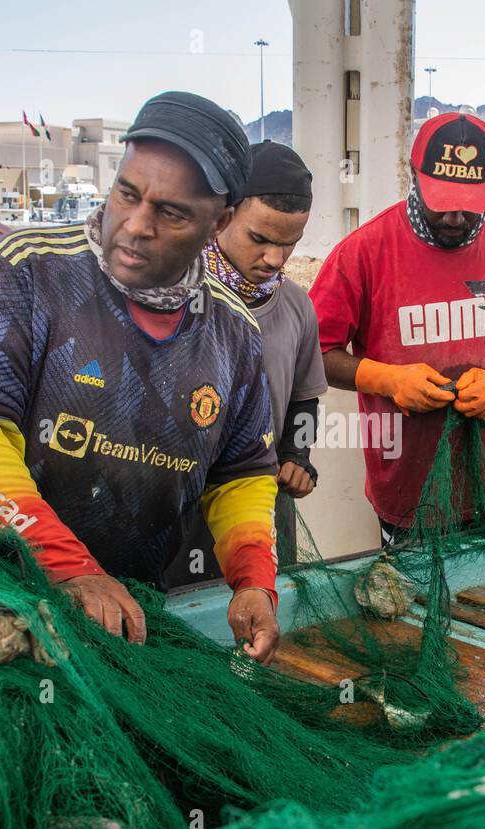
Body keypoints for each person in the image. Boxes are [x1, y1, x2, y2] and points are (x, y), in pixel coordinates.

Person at [0, 91, 280, 663]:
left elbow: (241, 475)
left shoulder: (234, 330)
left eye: (171, 213)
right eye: (127, 195)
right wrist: (69, 568)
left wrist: (254, 579)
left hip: (126, 619)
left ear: (222, 221)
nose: (135, 226)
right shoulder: (20, 271)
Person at [312, 112, 485, 544]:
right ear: (414, 176)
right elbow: (313, 352)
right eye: (442, 202)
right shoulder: (363, 252)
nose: (456, 219)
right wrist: (385, 378)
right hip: (409, 487)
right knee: (421, 604)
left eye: (468, 205)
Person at [165, 141, 327, 584]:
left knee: (259, 620)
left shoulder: (295, 305)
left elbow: (304, 398)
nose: (274, 258)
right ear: (223, 214)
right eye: (260, 239)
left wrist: (298, 455)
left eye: (288, 244)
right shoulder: (167, 294)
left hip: (260, 506)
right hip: (175, 509)